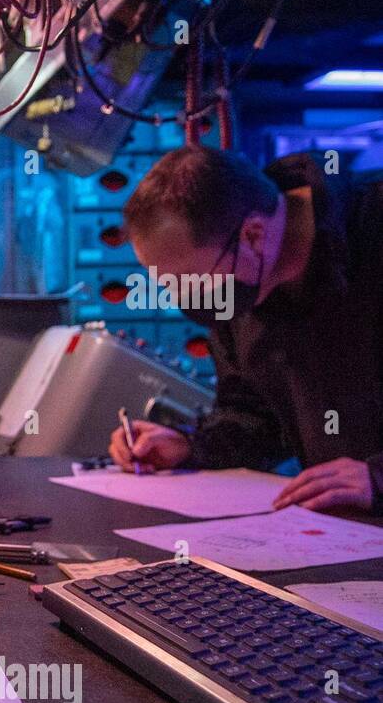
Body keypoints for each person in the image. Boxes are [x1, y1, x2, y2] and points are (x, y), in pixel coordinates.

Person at [108, 145, 383, 513]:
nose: (185, 298)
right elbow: (253, 416)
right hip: (339, 534)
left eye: (191, 280)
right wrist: (191, 448)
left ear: (253, 235)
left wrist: (378, 477)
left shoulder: (371, 227)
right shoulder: (240, 287)